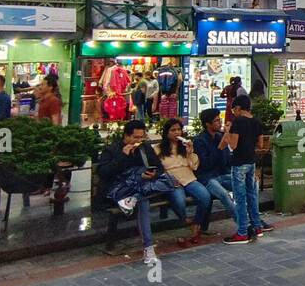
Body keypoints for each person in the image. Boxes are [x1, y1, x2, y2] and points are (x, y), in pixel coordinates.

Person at [96, 120, 172, 266]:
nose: (139, 141)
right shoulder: (112, 150)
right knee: (143, 198)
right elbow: (104, 173)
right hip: (119, 190)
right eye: (136, 138)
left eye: (141, 137)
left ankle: (133, 198)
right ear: (126, 136)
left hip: (141, 186)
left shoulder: (144, 148)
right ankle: (148, 248)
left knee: (169, 180)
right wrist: (123, 157)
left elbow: (159, 167)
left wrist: (153, 174)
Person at [191, 108, 246, 241]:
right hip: (207, 177)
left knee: (246, 186)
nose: (220, 122)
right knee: (224, 195)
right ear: (207, 124)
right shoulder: (199, 141)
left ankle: (256, 221)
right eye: (216, 121)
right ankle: (244, 226)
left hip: (222, 173)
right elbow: (205, 164)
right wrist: (220, 147)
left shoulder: (220, 136)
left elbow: (226, 161)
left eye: (219, 119)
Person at [158, 118, 215, 246]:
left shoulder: (185, 147)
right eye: (173, 130)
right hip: (171, 180)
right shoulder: (158, 149)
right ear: (167, 132)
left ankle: (196, 224)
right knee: (179, 200)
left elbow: (194, 166)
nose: (177, 132)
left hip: (188, 177)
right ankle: (186, 220)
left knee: (205, 196)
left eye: (179, 129)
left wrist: (190, 152)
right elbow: (157, 168)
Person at [222, 95, 267, 244]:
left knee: (240, 198)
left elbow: (233, 145)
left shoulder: (238, 122)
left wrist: (227, 132)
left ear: (239, 108)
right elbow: (260, 145)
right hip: (251, 162)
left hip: (239, 162)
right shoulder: (257, 121)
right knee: (252, 195)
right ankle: (257, 226)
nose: (233, 112)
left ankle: (242, 232)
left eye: (234, 109)